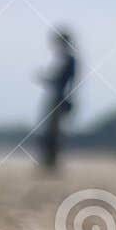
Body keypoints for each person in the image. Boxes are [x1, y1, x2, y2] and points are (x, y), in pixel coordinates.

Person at [37, 28, 78, 173]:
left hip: (59, 99)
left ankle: (51, 163)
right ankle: (48, 162)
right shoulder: (66, 59)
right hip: (58, 98)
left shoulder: (69, 59)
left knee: (53, 132)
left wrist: (45, 78)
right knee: (51, 132)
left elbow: (65, 82)